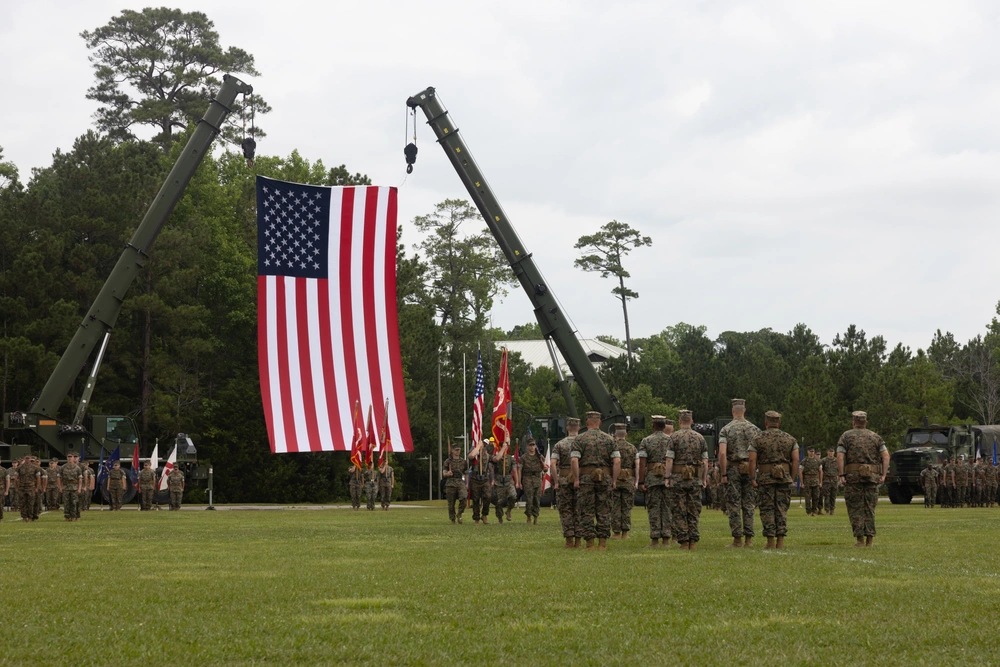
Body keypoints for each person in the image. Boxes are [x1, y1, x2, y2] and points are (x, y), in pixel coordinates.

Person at [836, 411, 889, 547]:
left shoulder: (846, 436)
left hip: (853, 478)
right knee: (869, 508)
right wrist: (883, 475)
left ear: (854, 422)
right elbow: (886, 456)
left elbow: (840, 456)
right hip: (872, 477)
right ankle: (869, 540)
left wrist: (841, 475)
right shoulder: (876, 437)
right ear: (866, 422)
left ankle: (859, 540)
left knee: (855, 508)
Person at [749, 411, 799, 549]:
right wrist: (792, 478)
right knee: (782, 508)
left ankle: (770, 541)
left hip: (765, 478)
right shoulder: (790, 439)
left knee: (767, 509)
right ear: (779, 423)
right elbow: (796, 460)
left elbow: (752, 459)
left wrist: (752, 477)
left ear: (766, 423)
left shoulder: (757, 438)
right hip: (784, 478)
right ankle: (781, 541)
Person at [571, 411, 620, 551]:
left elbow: (574, 460)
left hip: (586, 479)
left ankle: (590, 544)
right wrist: (614, 480)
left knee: (587, 511)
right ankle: (602, 544)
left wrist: (576, 479)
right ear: (600, 423)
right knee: (604, 511)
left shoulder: (579, 439)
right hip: (604, 479)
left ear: (587, 423)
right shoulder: (610, 440)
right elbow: (616, 461)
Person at [718, 398, 761, 548]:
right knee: (749, 504)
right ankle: (749, 539)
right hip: (749, 468)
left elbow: (722, 454)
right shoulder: (755, 429)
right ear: (745, 410)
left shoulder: (726, 429)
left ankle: (737, 540)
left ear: (732, 411)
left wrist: (723, 474)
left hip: (733, 468)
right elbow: (759, 452)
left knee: (734, 504)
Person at [664, 410, 708, 550]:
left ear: (679, 421)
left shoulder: (674, 437)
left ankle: (683, 542)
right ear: (692, 421)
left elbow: (669, 459)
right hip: (695, 478)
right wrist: (704, 478)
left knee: (678, 510)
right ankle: (693, 541)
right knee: (694, 510)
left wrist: (667, 477)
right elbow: (705, 461)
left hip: (678, 479)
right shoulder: (700, 438)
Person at [638, 415, 672, 548]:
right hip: (667, 477)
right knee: (667, 508)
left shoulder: (646, 441)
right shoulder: (671, 440)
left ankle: (655, 540)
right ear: (664, 426)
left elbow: (642, 463)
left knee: (654, 508)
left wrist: (641, 481)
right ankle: (666, 540)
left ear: (653, 426)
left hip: (652, 478)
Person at [551, 418, 581, 547]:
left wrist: (556, 481)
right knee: (579, 510)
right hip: (581, 480)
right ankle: (579, 541)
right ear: (578, 428)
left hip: (563, 479)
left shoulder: (560, 444)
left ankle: (569, 541)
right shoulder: (583, 443)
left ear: (567, 428)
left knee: (566, 510)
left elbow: (552, 464)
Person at [610, 423, 637, 539]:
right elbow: (637, 465)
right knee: (626, 506)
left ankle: (616, 533)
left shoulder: (611, 446)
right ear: (626, 434)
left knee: (615, 506)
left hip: (614, 479)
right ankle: (625, 533)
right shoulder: (632, 448)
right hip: (628, 479)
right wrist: (636, 481)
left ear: (615, 433)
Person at [518, 437, 546, 525]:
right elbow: (519, 470)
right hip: (527, 478)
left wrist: (545, 469)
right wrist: (519, 482)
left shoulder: (539, 457)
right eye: (530, 445)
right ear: (527, 446)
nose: (532, 447)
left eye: (533, 445)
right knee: (529, 499)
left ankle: (536, 517)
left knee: (536, 499)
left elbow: (544, 468)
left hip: (537, 478)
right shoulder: (523, 457)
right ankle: (529, 517)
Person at [467, 439, 494, 525]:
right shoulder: (474, 453)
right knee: (475, 499)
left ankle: (484, 514)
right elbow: (470, 456)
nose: (484, 445)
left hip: (485, 479)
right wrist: (478, 447)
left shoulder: (487, 455)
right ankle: (476, 518)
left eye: (485, 444)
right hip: (475, 478)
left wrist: (503, 449)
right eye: (483, 444)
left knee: (488, 496)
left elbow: (496, 459)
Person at [492, 440, 517, 524]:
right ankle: (500, 518)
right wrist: (502, 449)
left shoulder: (511, 458)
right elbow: (496, 459)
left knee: (513, 496)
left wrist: (517, 482)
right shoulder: (496, 456)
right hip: (499, 481)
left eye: (506, 447)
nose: (505, 448)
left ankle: (509, 510)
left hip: (508, 480)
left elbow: (514, 469)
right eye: (503, 446)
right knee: (499, 502)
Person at [443, 442, 468, 523]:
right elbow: (443, 472)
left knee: (464, 498)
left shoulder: (463, 461)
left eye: (459, 450)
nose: (458, 451)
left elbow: (466, 472)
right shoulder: (448, 461)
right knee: (451, 503)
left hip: (460, 482)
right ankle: (452, 519)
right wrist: (447, 474)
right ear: (452, 451)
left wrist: (467, 483)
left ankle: (459, 513)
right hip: (451, 482)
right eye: (456, 450)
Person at [57, 452, 83, 521]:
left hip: (74, 487)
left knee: (74, 502)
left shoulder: (77, 468)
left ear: (73, 458)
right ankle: (67, 516)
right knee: (66, 503)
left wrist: (79, 488)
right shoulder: (63, 467)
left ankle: (74, 516)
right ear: (67, 458)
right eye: (68, 457)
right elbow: (59, 478)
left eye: (71, 457)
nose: (70, 458)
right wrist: (60, 487)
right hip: (66, 487)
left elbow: (80, 479)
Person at [16, 456, 42, 522]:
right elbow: (16, 478)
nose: (27, 460)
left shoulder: (35, 468)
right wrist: (16, 487)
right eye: (26, 458)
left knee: (31, 503)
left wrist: (37, 487)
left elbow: (38, 478)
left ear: (30, 459)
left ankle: (30, 517)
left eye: (28, 458)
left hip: (31, 487)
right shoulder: (19, 467)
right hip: (22, 487)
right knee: (22, 503)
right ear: (24, 459)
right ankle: (24, 517)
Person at [800, 448, 821, 516]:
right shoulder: (804, 461)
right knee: (807, 497)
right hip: (807, 481)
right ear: (808, 452)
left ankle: (814, 511)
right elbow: (800, 472)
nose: (812, 453)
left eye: (813, 451)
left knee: (816, 497)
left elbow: (820, 471)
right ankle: (808, 511)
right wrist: (802, 482)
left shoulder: (818, 461)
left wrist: (820, 482)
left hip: (816, 481)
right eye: (810, 451)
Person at [820, 448, 839, 515]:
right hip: (826, 480)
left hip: (834, 480)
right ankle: (827, 510)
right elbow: (820, 470)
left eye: (832, 452)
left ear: (834, 452)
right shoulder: (823, 460)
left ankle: (832, 510)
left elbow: (839, 470)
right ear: (827, 452)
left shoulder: (837, 460)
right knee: (827, 496)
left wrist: (839, 479)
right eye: (830, 451)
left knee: (833, 496)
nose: (831, 453)